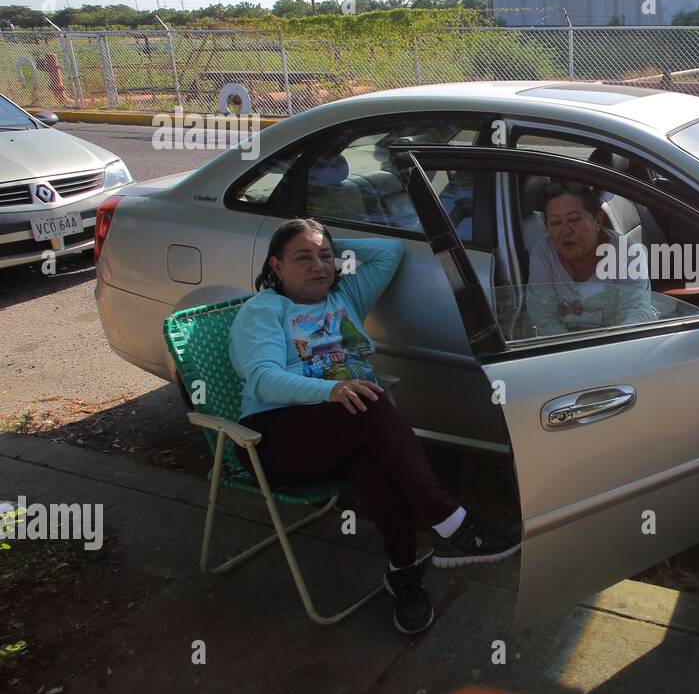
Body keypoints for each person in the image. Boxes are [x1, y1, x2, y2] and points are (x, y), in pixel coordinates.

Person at [229, 218, 519, 634]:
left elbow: (390, 252)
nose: (319, 266)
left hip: (345, 430)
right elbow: (262, 379)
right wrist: (331, 391)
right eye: (302, 258)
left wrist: (323, 238)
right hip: (275, 440)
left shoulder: (345, 295)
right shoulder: (264, 309)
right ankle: (449, 519)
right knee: (367, 399)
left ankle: (403, 573)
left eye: (325, 257)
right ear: (275, 265)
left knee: (379, 464)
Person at [526, 182, 655, 336]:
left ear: (598, 220)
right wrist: (572, 354)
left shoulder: (627, 252)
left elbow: (636, 313)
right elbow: (541, 317)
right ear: (546, 227)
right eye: (555, 223)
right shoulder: (543, 254)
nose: (566, 231)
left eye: (574, 219)